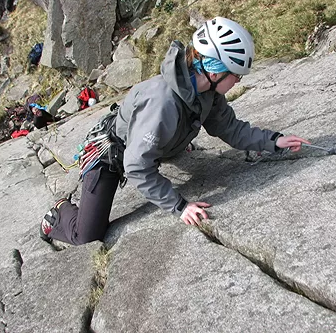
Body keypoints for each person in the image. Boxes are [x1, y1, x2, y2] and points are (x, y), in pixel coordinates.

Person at [40, 17, 310, 245]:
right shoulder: (162, 104)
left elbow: (229, 128)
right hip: (111, 154)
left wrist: (274, 141)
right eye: (236, 75)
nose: (238, 81)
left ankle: (171, 147)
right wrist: (179, 206)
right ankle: (60, 213)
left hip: (149, 143)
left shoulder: (207, 93)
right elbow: (135, 166)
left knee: (163, 144)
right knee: (87, 235)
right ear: (215, 72)